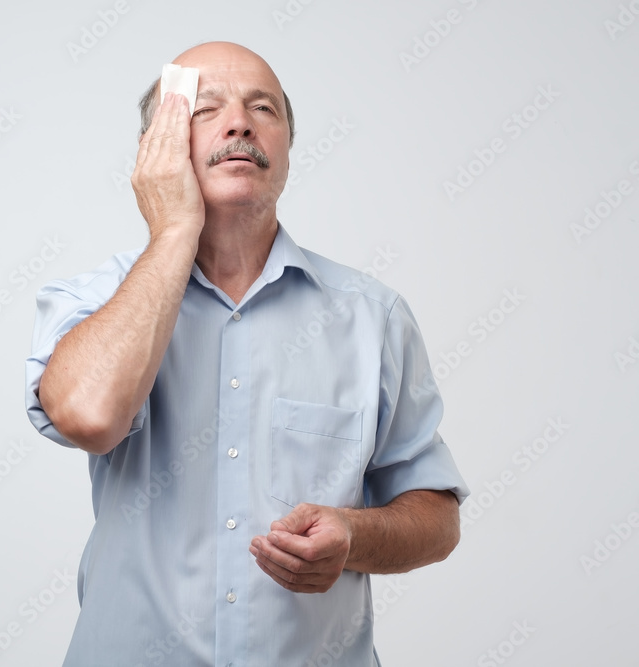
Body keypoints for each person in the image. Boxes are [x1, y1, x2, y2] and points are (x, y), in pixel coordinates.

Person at [25, 41, 469, 666]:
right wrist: (175, 229)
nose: (240, 122)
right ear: (158, 148)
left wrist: (356, 535)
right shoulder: (92, 300)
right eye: (205, 109)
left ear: (287, 146)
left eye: (264, 108)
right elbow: (89, 416)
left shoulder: (373, 317)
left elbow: (436, 516)